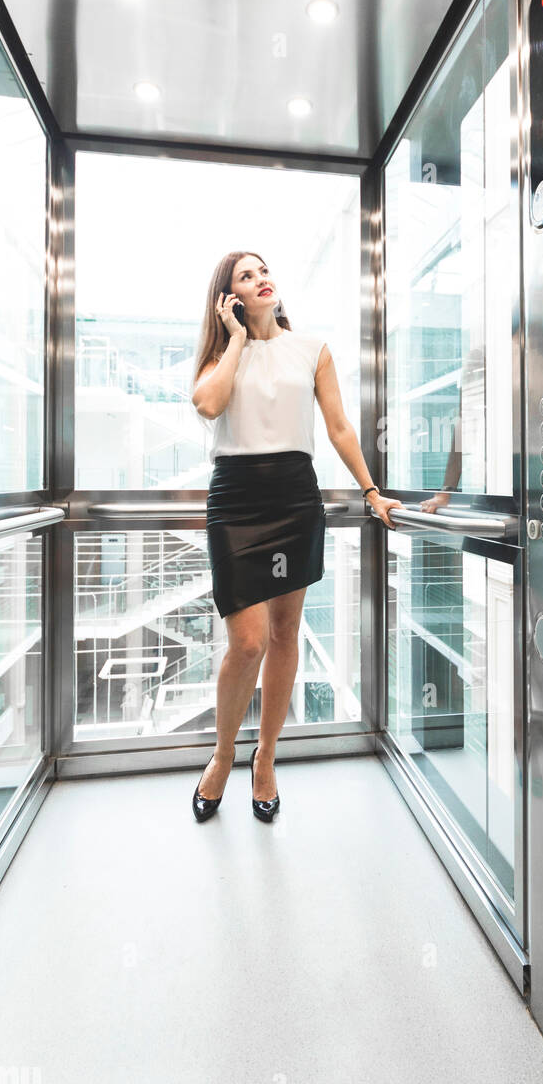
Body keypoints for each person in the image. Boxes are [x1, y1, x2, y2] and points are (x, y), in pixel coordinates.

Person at [189, 250, 402, 822]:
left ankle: (266, 758)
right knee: (248, 641)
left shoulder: (312, 349)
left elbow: (337, 427)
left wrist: (370, 491)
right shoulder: (218, 355)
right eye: (247, 276)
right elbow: (209, 404)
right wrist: (236, 338)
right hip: (236, 501)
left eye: (265, 271)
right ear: (229, 296)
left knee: (284, 635)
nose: (263, 280)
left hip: (294, 498)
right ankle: (222, 754)